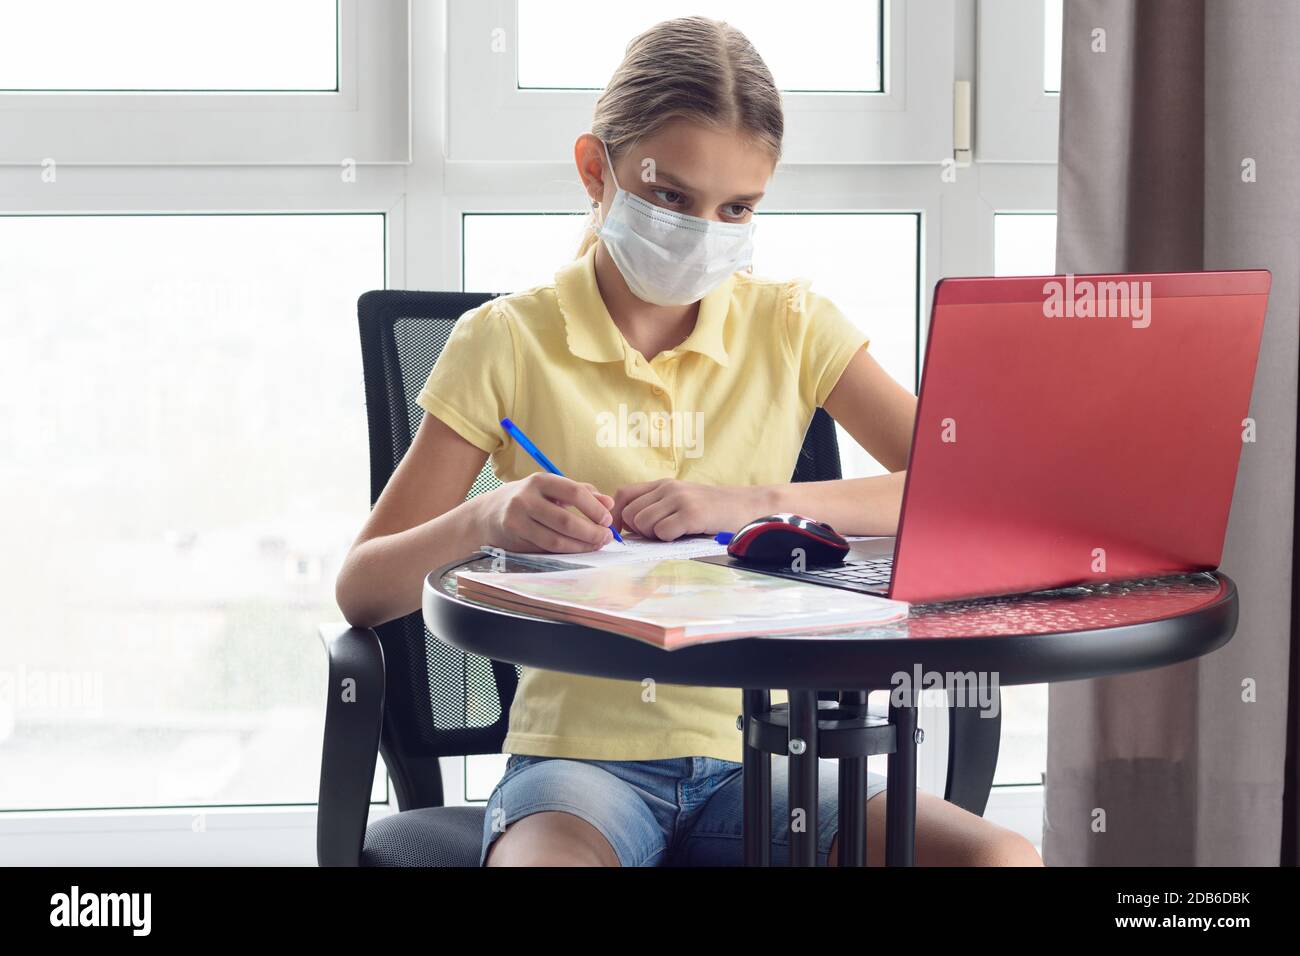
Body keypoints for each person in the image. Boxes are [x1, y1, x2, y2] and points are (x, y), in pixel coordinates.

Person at [335, 15, 1043, 867]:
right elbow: (363, 591)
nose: (704, 231)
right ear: (597, 171)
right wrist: (487, 521)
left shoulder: (792, 325)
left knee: (996, 858)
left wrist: (753, 503)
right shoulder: (505, 341)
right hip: (578, 771)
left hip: (768, 759)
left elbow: (969, 488)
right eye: (671, 197)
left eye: (736, 207)